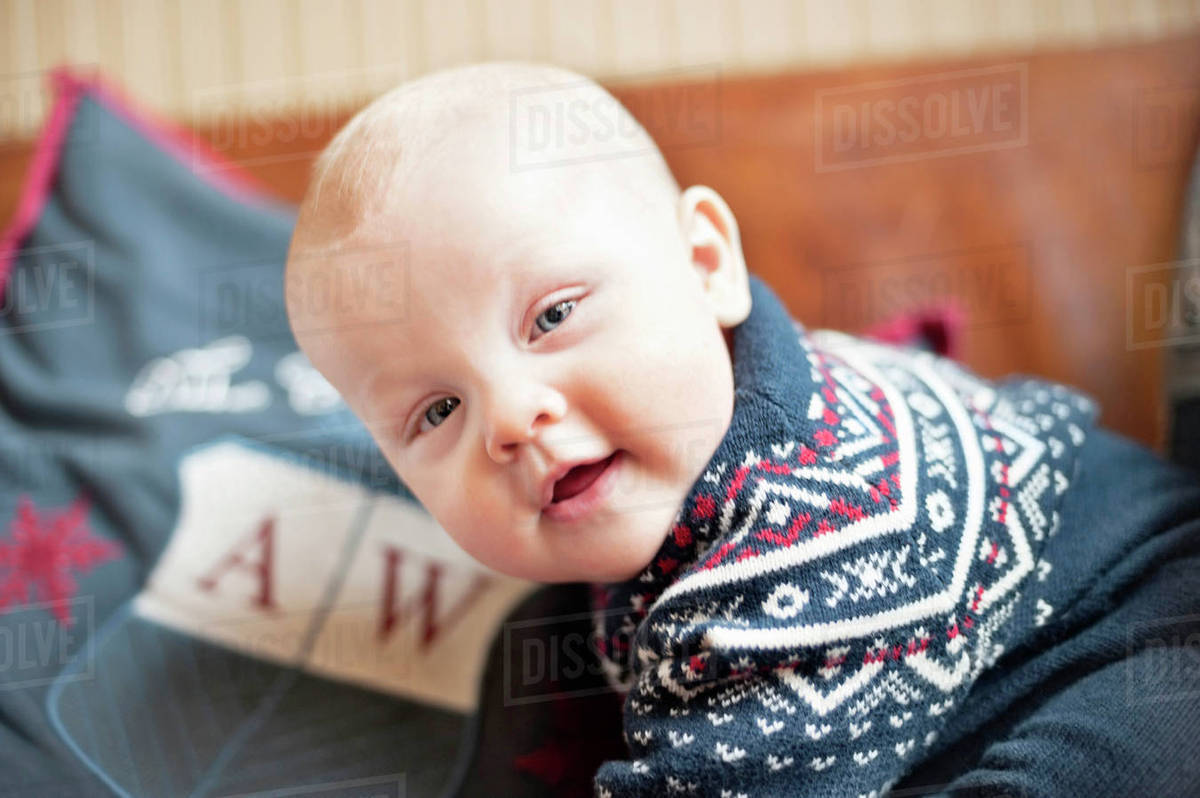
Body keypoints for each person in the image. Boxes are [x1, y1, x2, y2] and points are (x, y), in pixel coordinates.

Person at [285, 61, 1200, 797]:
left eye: (552, 318)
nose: (513, 420)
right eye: (439, 411)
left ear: (706, 264)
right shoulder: (694, 432)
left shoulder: (802, 534)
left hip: (1145, 630)